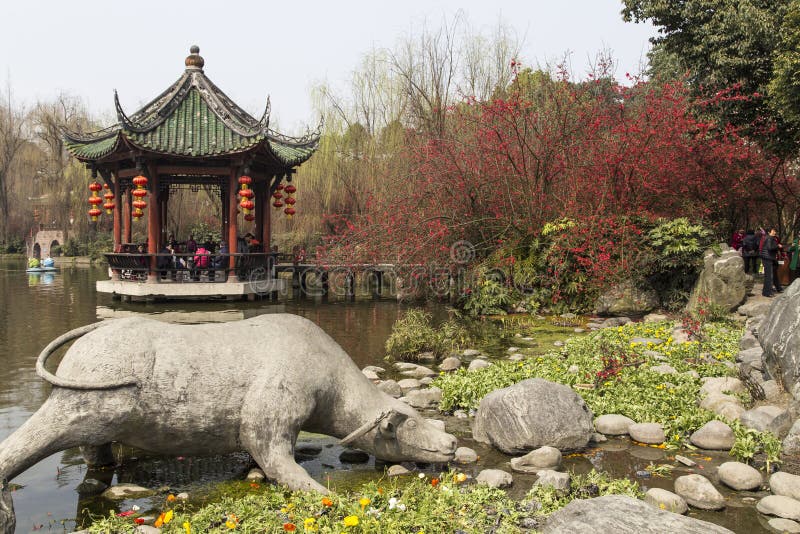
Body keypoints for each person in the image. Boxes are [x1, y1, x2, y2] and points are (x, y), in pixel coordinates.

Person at [760, 227, 782, 297]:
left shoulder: (771, 238)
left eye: (775, 231)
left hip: (770, 258)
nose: (775, 232)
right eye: (773, 231)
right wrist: (778, 246)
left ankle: (778, 288)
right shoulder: (769, 238)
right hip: (767, 258)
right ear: (769, 232)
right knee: (769, 276)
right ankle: (767, 292)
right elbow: (770, 248)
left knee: (774, 274)